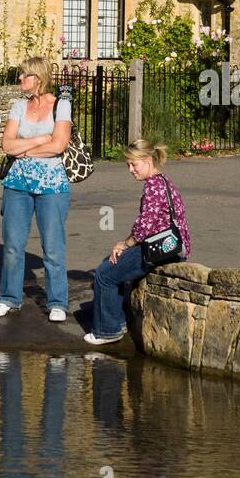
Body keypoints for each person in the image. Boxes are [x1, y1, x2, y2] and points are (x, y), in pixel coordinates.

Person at [0, 57, 73, 322]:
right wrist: (39, 140)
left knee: (53, 247)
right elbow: (7, 146)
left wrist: (24, 147)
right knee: (13, 245)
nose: (20, 79)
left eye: (24, 75)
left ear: (38, 78)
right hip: (17, 183)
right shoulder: (17, 106)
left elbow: (58, 146)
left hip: (52, 186)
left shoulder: (62, 105)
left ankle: (57, 302)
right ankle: (8, 298)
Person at [85, 138, 191, 345]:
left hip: (159, 250)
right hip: (173, 247)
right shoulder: (164, 181)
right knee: (113, 262)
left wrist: (123, 244)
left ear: (149, 160)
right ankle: (118, 321)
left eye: (134, 164)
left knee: (105, 273)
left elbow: (145, 227)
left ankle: (107, 330)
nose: (130, 170)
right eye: (128, 165)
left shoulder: (153, 186)